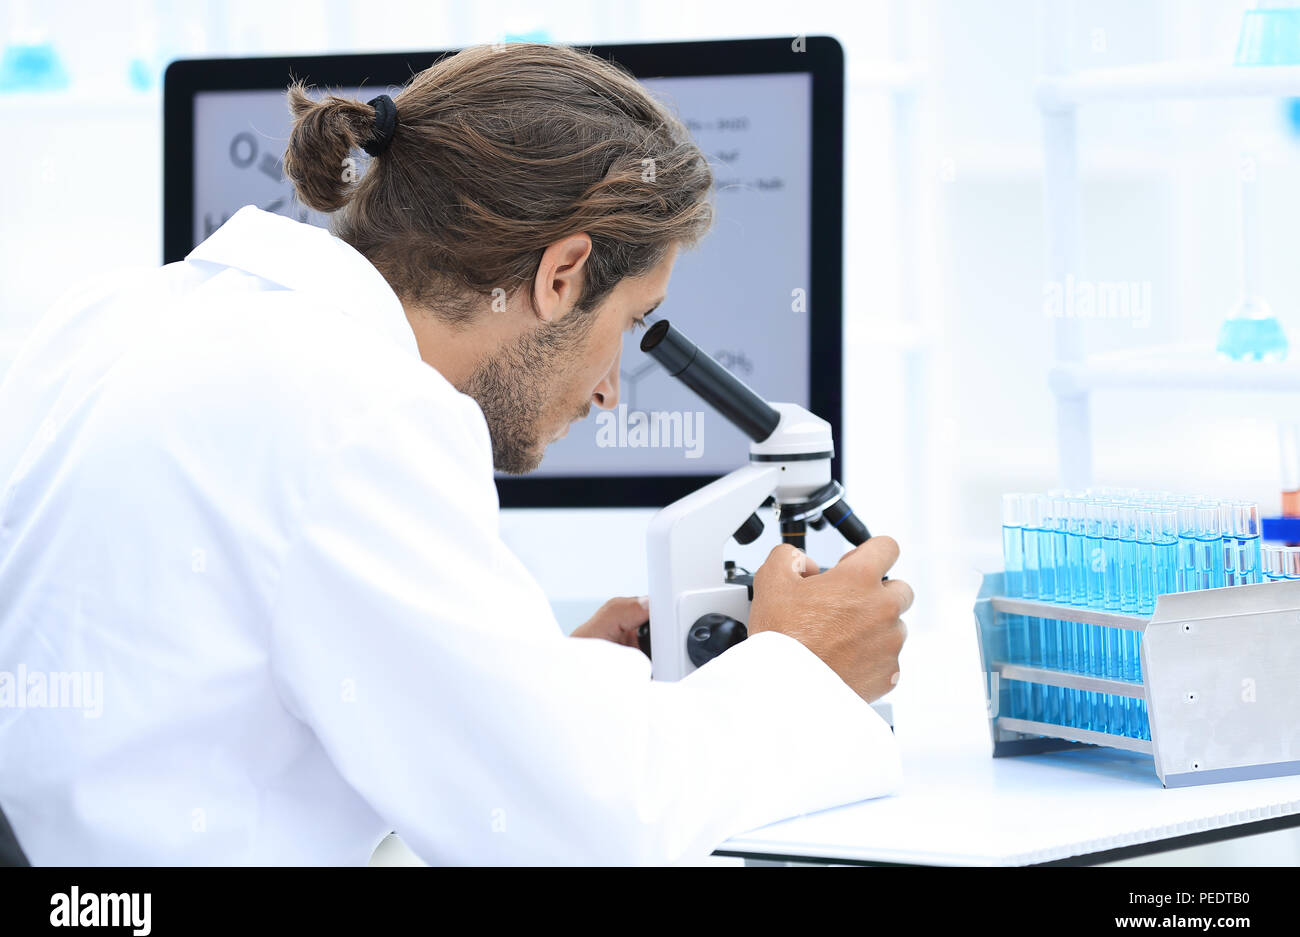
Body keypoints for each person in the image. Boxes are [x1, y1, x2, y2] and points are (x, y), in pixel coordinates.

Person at [0, 42, 912, 865]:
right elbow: (586, 836)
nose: (608, 393)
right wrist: (804, 670)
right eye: (628, 324)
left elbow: (225, 694)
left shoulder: (122, 315)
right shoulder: (362, 409)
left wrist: (534, 681)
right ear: (561, 275)